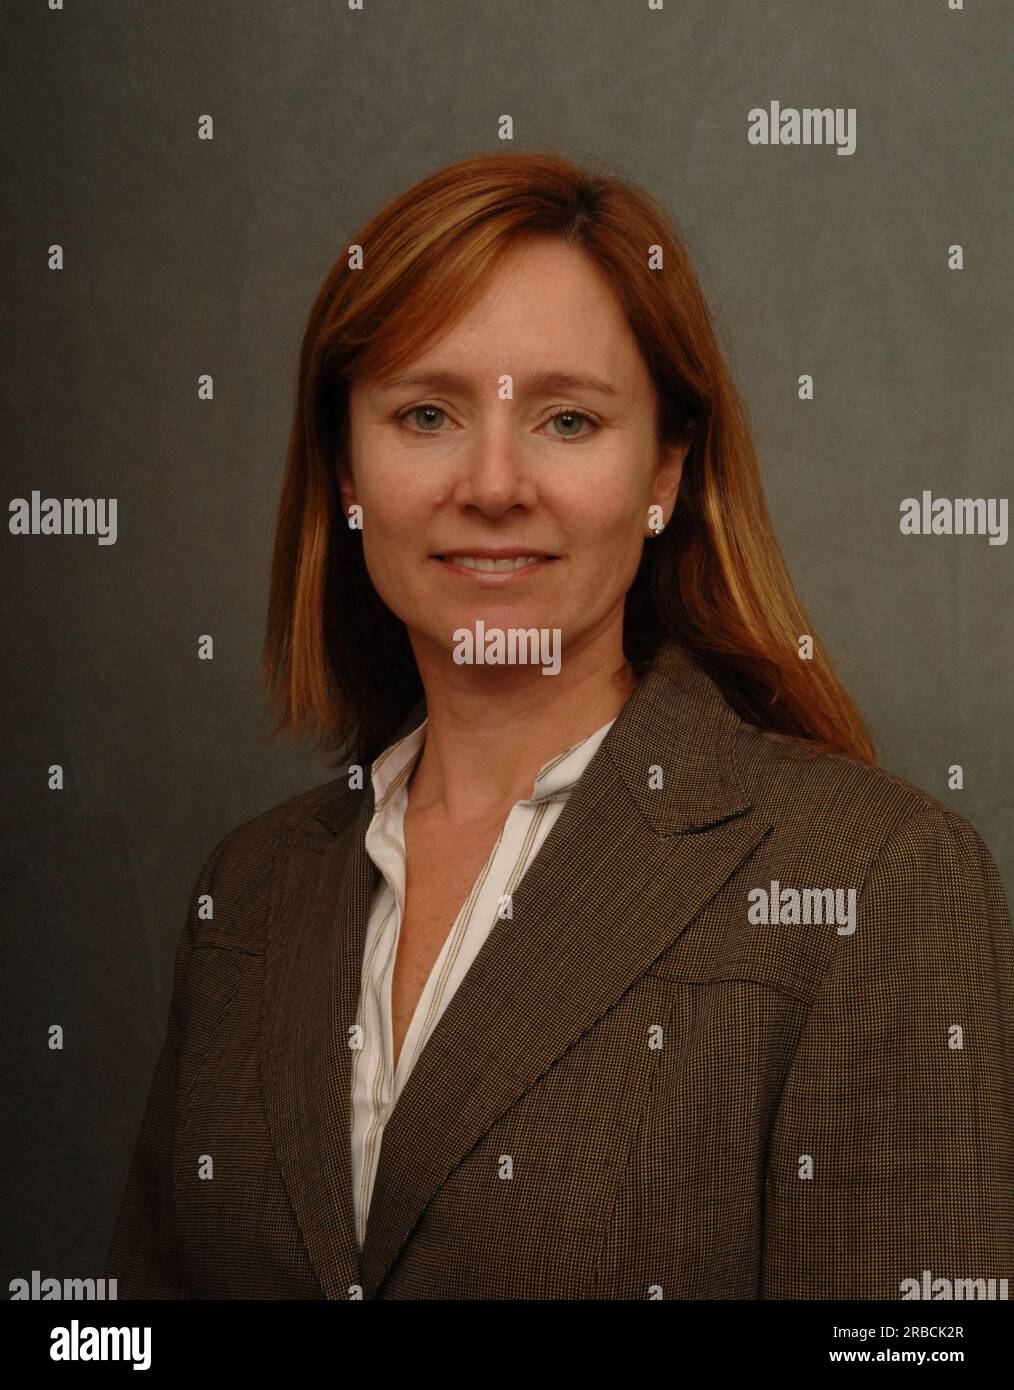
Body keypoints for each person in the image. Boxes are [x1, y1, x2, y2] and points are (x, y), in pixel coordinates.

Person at [105, 151, 1012, 1299]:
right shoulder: (249, 894)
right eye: (425, 412)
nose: (493, 482)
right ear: (346, 466)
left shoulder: (874, 882)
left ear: (665, 472)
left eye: (568, 419)